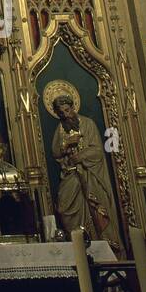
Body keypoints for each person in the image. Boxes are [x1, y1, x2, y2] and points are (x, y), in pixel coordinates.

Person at [50, 91, 120, 246]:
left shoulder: (88, 124)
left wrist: (80, 156)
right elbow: (55, 151)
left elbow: (97, 151)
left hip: (90, 174)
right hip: (70, 174)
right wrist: (66, 144)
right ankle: (79, 242)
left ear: (73, 108)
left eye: (67, 110)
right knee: (64, 206)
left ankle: (102, 244)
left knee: (97, 209)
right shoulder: (60, 129)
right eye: (61, 112)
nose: (65, 115)